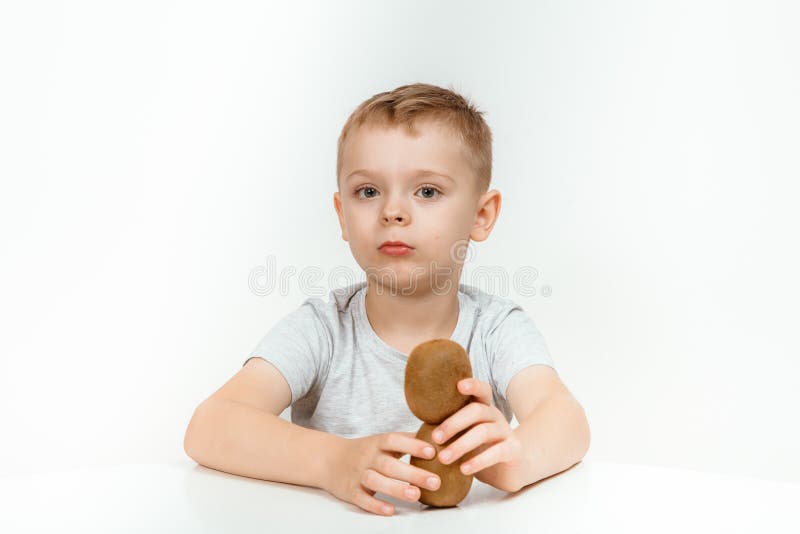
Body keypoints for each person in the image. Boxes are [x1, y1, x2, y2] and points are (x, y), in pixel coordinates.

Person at [183, 82, 590, 516]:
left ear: (481, 215)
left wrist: (518, 458)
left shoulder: (496, 327)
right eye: (368, 192)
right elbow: (209, 426)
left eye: (427, 191)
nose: (392, 212)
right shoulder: (323, 328)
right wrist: (331, 462)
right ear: (342, 215)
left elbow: (567, 420)